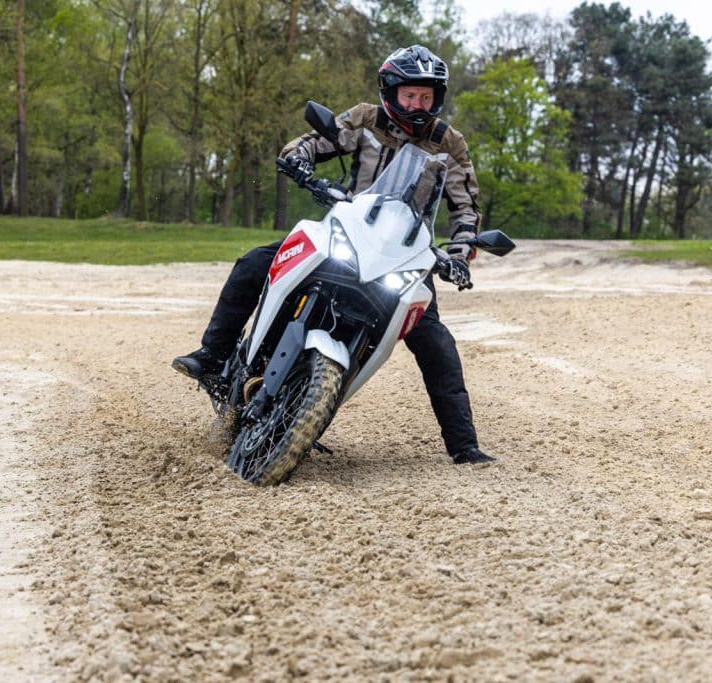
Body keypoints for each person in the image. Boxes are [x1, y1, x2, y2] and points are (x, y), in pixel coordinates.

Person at [173, 45, 494, 465]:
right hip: (348, 229)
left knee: (436, 343)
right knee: (255, 264)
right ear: (391, 91)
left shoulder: (448, 143)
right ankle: (213, 356)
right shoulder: (364, 119)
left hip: (405, 253)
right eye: (410, 95)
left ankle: (464, 446)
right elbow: (310, 143)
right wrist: (299, 162)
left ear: (438, 97)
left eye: (426, 97)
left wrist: (460, 249)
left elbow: (465, 204)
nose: (418, 104)